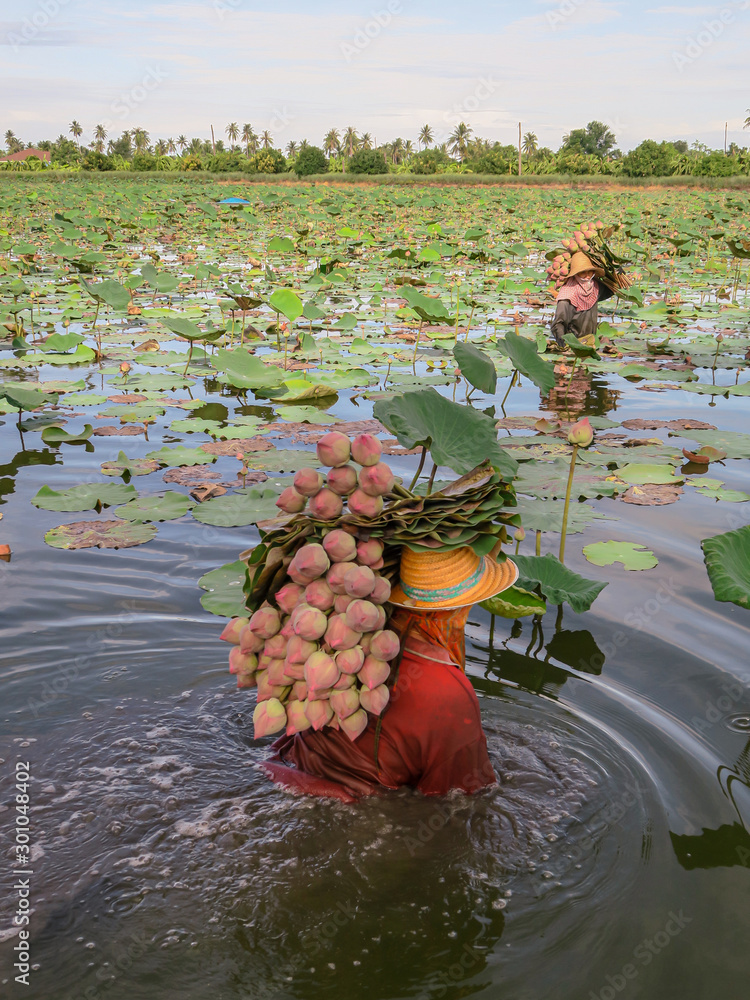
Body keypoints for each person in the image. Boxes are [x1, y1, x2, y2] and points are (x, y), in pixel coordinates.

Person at [261, 545, 518, 804]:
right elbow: (464, 798)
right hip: (360, 812)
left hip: (286, 770)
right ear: (462, 606)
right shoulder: (449, 693)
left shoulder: (340, 634)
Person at [550, 251, 614, 349]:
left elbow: (613, 288)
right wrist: (564, 345)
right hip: (574, 345)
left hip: (590, 343)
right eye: (583, 272)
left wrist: (615, 272)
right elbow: (558, 325)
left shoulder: (595, 287)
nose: (587, 276)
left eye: (589, 272)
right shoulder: (567, 296)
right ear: (575, 273)